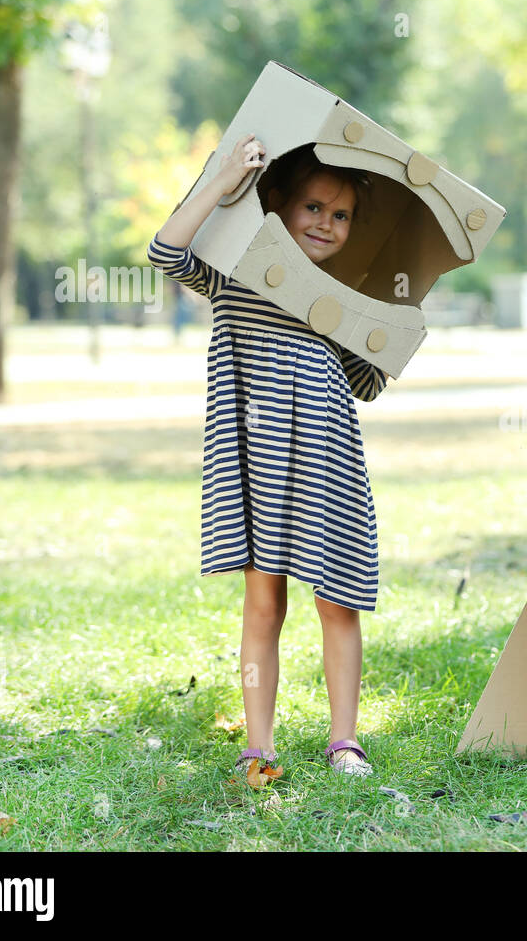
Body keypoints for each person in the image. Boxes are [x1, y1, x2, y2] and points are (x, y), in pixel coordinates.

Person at [147, 133, 388, 782]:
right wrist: (224, 181)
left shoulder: (343, 294)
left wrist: (387, 328)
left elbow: (367, 381)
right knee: (263, 604)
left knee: (337, 601)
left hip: (326, 459)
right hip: (259, 459)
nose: (326, 224)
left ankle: (344, 741)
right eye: (314, 207)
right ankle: (260, 743)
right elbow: (165, 250)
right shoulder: (240, 271)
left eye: (340, 216)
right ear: (279, 202)